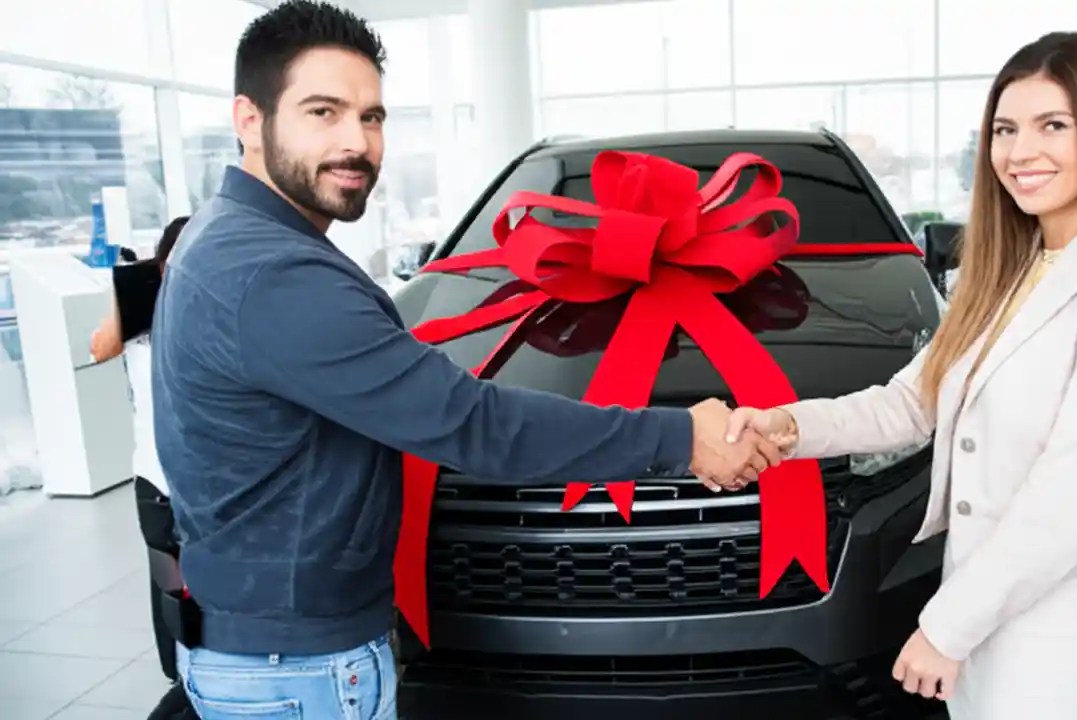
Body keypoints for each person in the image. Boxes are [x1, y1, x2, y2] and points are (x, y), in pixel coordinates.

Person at [150, 2, 777, 718]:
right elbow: (473, 424)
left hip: (270, 649)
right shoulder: (275, 276)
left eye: (373, 116)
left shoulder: (223, 239)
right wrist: (681, 438)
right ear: (249, 119)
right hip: (300, 673)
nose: (357, 142)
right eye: (322, 112)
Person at [722, 31, 1077, 720]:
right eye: (1005, 129)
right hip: (977, 606)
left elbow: (1071, 493)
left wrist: (946, 629)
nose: (1019, 152)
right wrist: (787, 425)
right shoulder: (1004, 274)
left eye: (1052, 126)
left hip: (1055, 626)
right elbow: (910, 403)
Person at [89, 216, 197, 720]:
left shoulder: (212, 305)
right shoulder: (142, 301)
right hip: (157, 478)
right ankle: (180, 677)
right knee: (169, 583)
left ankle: (204, 675)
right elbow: (100, 348)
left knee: (207, 586)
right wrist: (130, 293)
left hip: (205, 478)